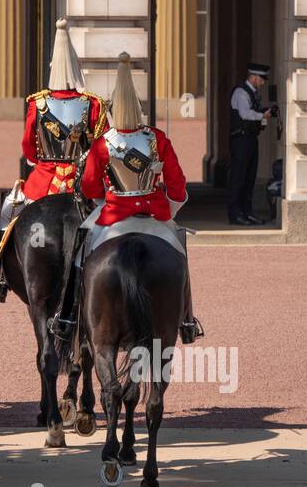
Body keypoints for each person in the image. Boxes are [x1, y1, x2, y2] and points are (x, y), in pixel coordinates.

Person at [51, 53, 202, 344]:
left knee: (81, 250)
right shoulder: (158, 138)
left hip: (114, 214)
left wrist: (106, 198)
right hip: (155, 213)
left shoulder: (102, 144)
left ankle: (68, 315)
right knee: (178, 251)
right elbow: (178, 186)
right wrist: (167, 211)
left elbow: (91, 188)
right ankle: (186, 320)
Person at [0, 18, 107, 300]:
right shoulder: (93, 103)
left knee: (8, 211)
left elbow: (29, 149)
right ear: (76, 68)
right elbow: (102, 148)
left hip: (43, 184)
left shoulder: (37, 104)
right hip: (81, 186)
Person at [227, 62, 273, 226]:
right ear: (253, 77)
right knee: (238, 177)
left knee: (249, 178)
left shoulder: (253, 93)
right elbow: (245, 114)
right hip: (241, 140)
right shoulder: (241, 92)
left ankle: (247, 212)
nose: (262, 82)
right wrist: (262, 116)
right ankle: (235, 214)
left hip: (250, 139)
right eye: (261, 79)